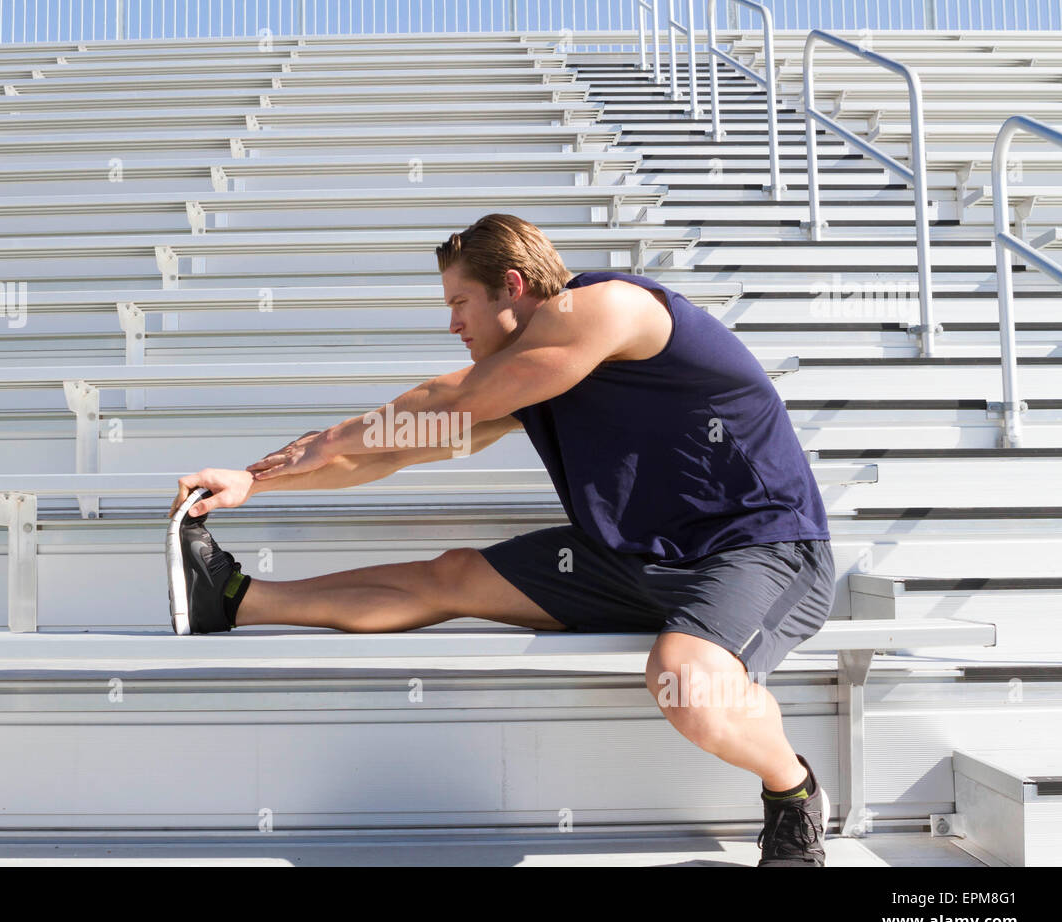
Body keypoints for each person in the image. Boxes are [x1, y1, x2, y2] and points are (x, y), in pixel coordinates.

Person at [168, 213, 836, 866]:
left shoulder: (607, 309)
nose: (451, 322)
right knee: (454, 575)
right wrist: (252, 479)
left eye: (460, 302)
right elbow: (390, 450)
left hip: (761, 548)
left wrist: (336, 437)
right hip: (634, 561)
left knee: (686, 683)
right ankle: (231, 599)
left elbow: (451, 401)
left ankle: (794, 792)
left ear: (513, 286)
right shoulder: (531, 382)